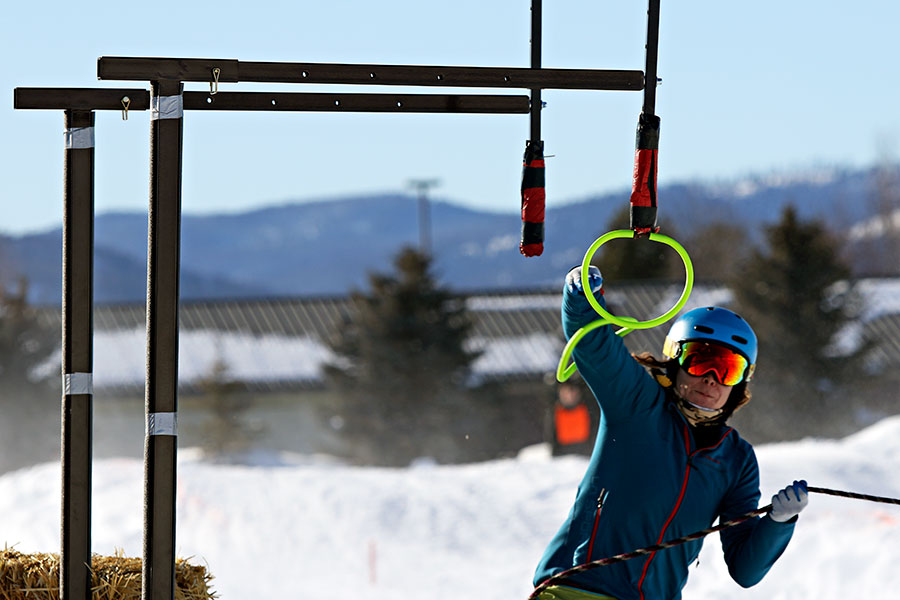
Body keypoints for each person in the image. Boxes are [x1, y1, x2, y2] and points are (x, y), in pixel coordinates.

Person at [533, 265, 809, 600]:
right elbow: (593, 345)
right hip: (576, 590)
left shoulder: (737, 460)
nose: (710, 378)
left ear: (741, 382)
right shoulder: (637, 404)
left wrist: (778, 524)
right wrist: (581, 297)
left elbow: (745, 570)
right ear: (674, 361)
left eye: (727, 369)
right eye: (698, 360)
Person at [546, 377, 596, 456]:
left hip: (585, 455)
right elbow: (551, 437)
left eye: (573, 392)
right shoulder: (555, 412)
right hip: (562, 456)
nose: (570, 396)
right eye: (565, 392)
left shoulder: (588, 409)